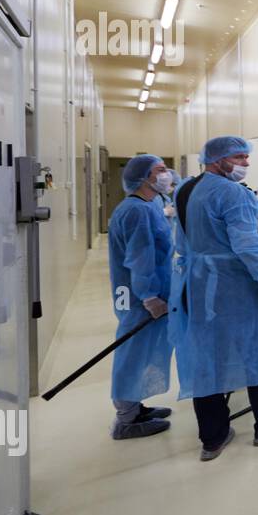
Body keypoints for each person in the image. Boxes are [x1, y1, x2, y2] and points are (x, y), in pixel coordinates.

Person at [169, 136, 258, 461]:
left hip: (200, 284)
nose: (246, 163)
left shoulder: (187, 188)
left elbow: (190, 235)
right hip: (235, 285)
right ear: (217, 159)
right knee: (257, 352)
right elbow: (245, 242)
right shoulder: (231, 192)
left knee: (207, 355)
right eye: (239, 157)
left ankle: (213, 438)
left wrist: (254, 198)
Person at [106, 154, 175, 440]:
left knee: (144, 350)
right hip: (139, 296)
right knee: (132, 353)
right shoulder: (136, 210)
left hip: (146, 292)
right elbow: (140, 258)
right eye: (160, 171)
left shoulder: (151, 204)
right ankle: (125, 419)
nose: (167, 174)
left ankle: (135, 406)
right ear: (144, 177)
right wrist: (149, 297)